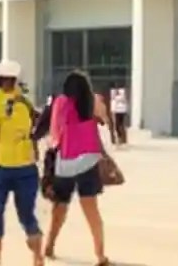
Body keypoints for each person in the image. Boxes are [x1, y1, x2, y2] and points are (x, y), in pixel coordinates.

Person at [43, 71, 108, 266]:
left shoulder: (61, 102)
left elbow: (55, 130)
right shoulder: (92, 102)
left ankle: (50, 245)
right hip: (89, 158)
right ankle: (100, 255)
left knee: (60, 206)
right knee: (92, 211)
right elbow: (104, 118)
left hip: (67, 160)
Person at [0, 60, 42, 266]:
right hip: (27, 166)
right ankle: (37, 257)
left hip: (0, 166)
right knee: (27, 214)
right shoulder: (25, 103)